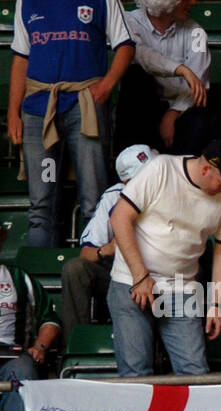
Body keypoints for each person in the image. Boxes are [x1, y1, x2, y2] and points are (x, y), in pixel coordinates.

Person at [107, 140, 221, 377]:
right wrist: (140, 276)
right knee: (135, 374)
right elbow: (119, 217)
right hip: (131, 282)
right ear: (205, 170)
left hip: (182, 286)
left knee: (195, 373)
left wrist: (216, 305)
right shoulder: (161, 169)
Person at [7, 0, 135, 249]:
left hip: (84, 108)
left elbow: (125, 46)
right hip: (39, 113)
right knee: (43, 201)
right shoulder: (28, 2)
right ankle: (40, 279)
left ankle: (89, 275)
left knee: (92, 199)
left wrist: (107, 85)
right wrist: (14, 113)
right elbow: (21, 58)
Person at [62, 144, 159, 330]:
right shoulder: (114, 196)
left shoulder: (169, 190)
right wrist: (110, 248)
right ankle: (78, 346)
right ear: (126, 182)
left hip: (161, 277)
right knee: (75, 269)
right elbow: (85, 254)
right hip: (120, 277)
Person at [119, 0, 213, 155]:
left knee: (200, 115)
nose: (194, 2)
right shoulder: (129, 21)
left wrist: (174, 112)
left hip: (182, 109)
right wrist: (181, 70)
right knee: (135, 78)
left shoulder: (196, 32)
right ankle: (134, 172)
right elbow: (141, 54)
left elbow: (198, 85)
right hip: (144, 109)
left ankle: (184, 174)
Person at [0, 225, 60, 411]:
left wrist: (40, 345)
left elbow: (49, 319)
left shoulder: (18, 277)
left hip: (11, 354)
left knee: (23, 371)